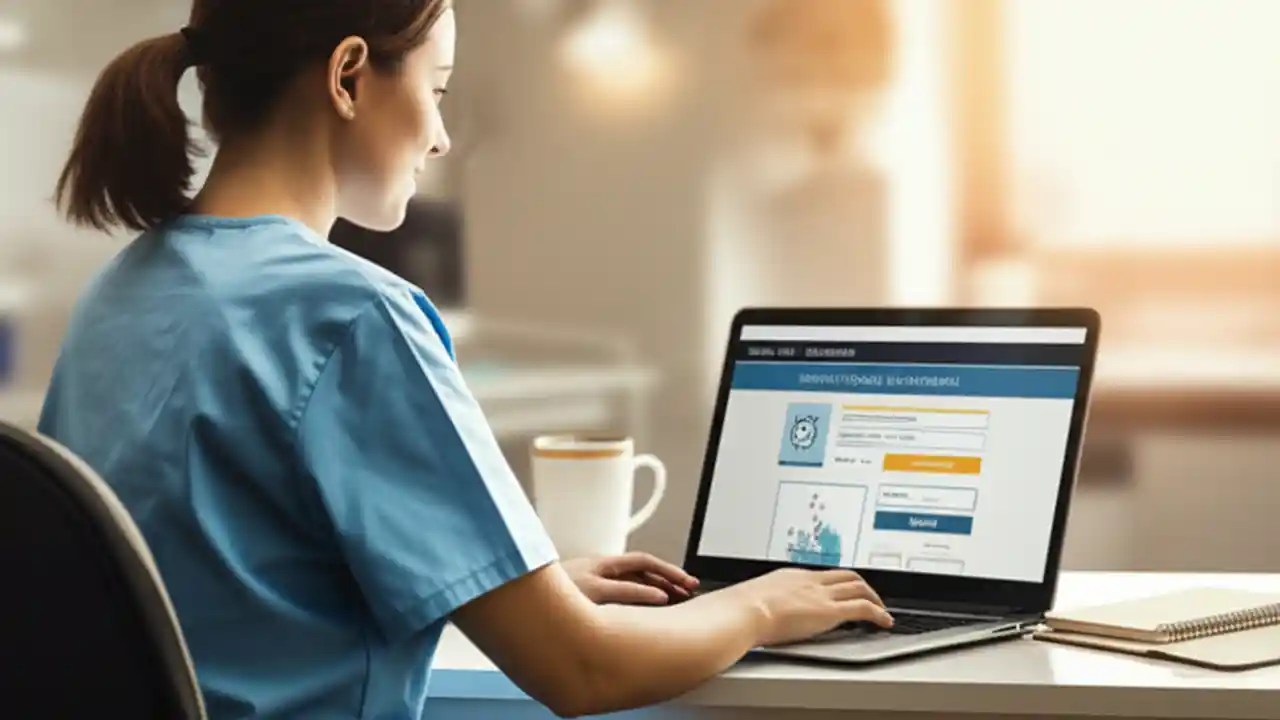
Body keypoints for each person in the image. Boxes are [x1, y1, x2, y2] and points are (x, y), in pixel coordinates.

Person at [42, 1, 893, 718]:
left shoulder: (124, 289)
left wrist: (507, 585)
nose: (442, 137)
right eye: (436, 91)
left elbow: (218, 599)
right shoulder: (354, 315)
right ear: (348, 78)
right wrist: (761, 605)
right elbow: (584, 670)